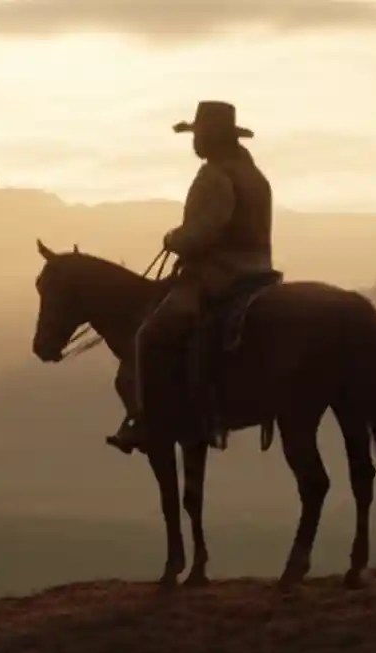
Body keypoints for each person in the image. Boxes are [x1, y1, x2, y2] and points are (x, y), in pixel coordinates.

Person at [107, 101, 274, 454]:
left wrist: (173, 239)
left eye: (198, 136)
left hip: (222, 273)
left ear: (211, 138)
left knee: (149, 335)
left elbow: (204, 232)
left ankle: (146, 420)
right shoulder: (255, 176)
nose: (195, 143)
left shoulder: (215, 176)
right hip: (260, 271)